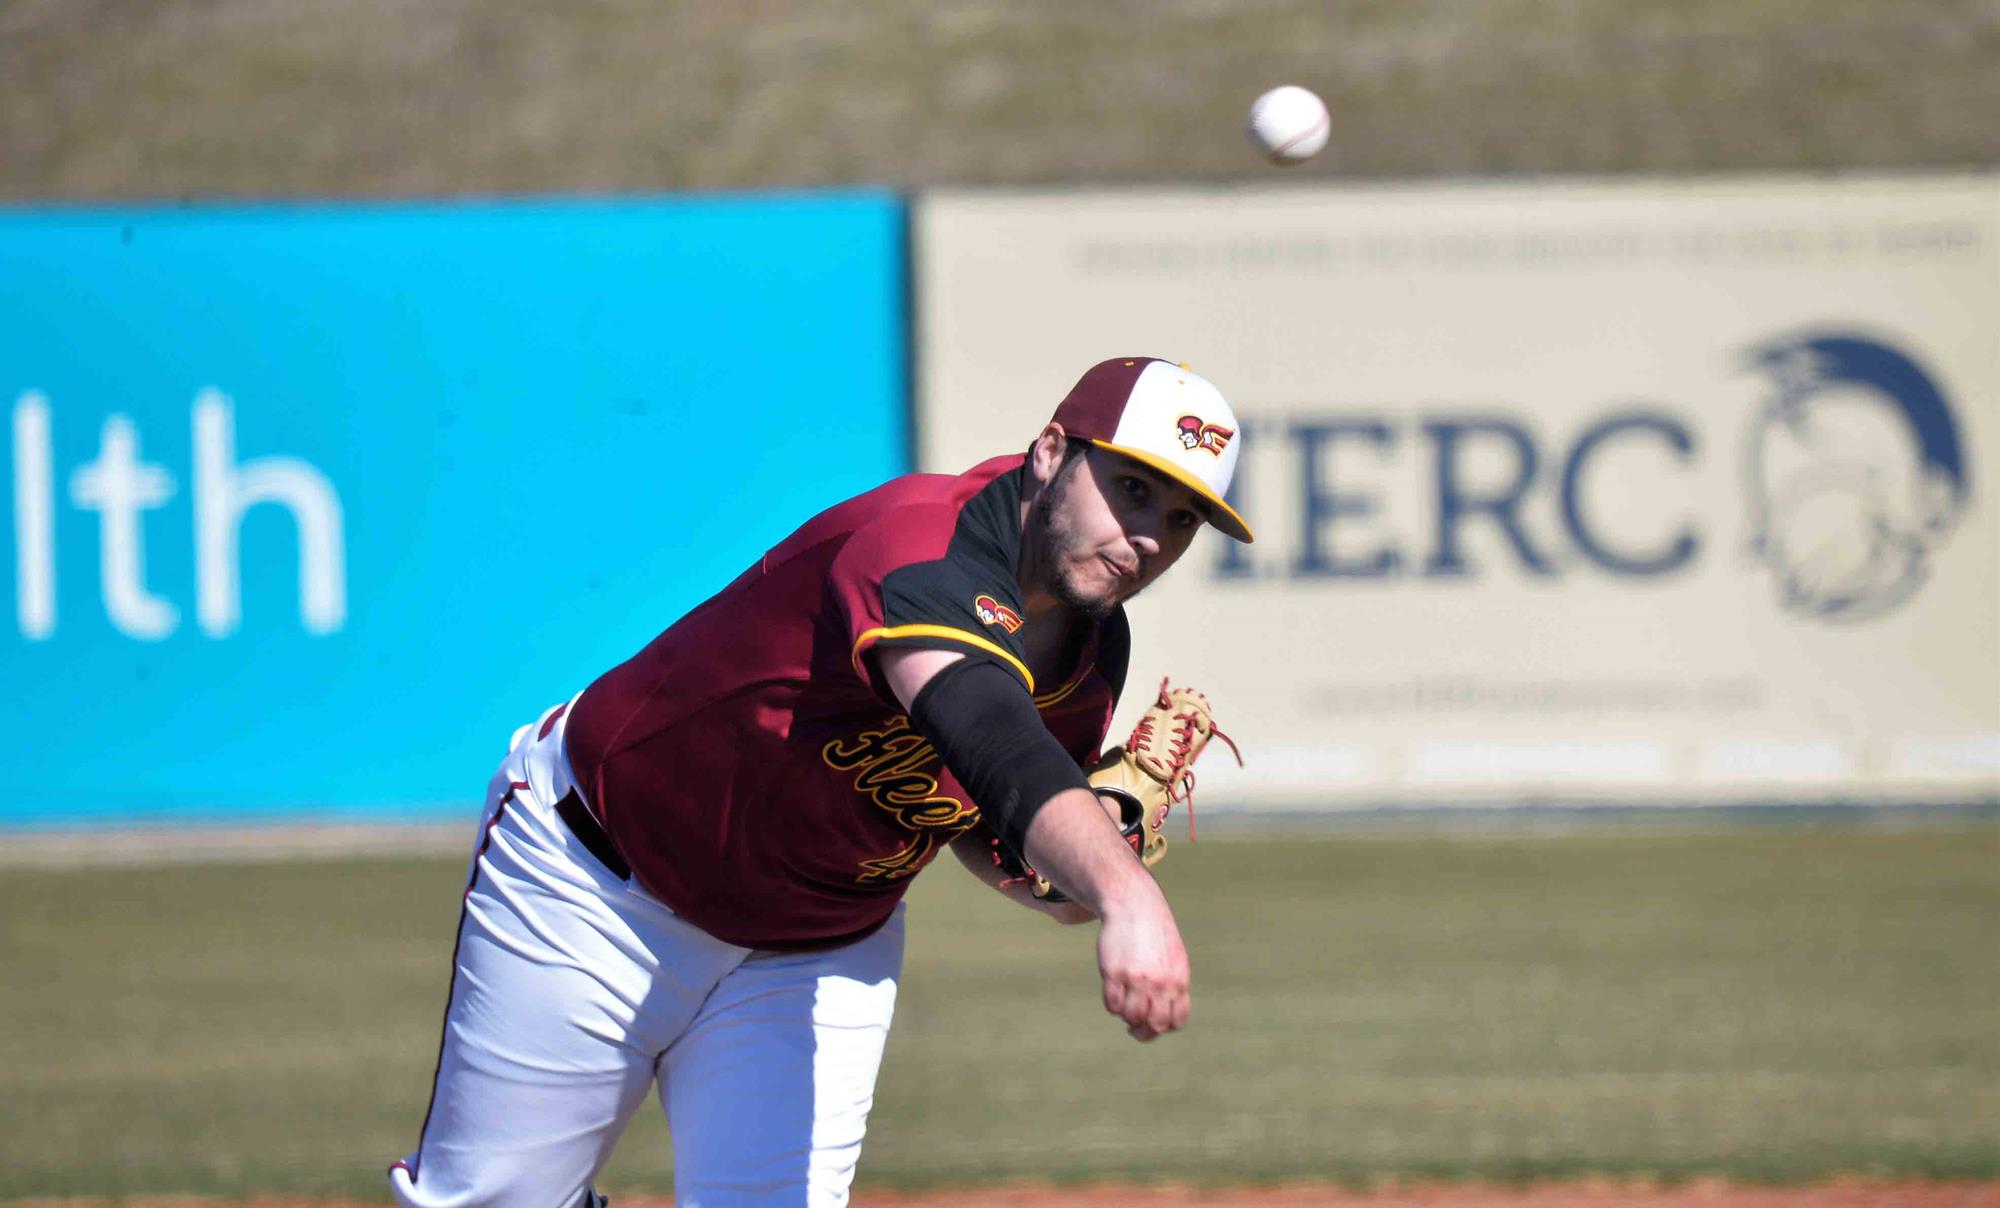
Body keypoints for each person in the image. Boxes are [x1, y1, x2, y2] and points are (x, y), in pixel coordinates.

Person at [388, 355, 1255, 1208]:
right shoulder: (918, 549)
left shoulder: (1093, 648)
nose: (1147, 537)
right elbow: (991, 740)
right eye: (1133, 489)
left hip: (819, 945)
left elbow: (1003, 838)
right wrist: (1128, 895)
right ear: (1051, 452)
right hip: (596, 882)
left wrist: (1098, 842)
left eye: (1181, 520)